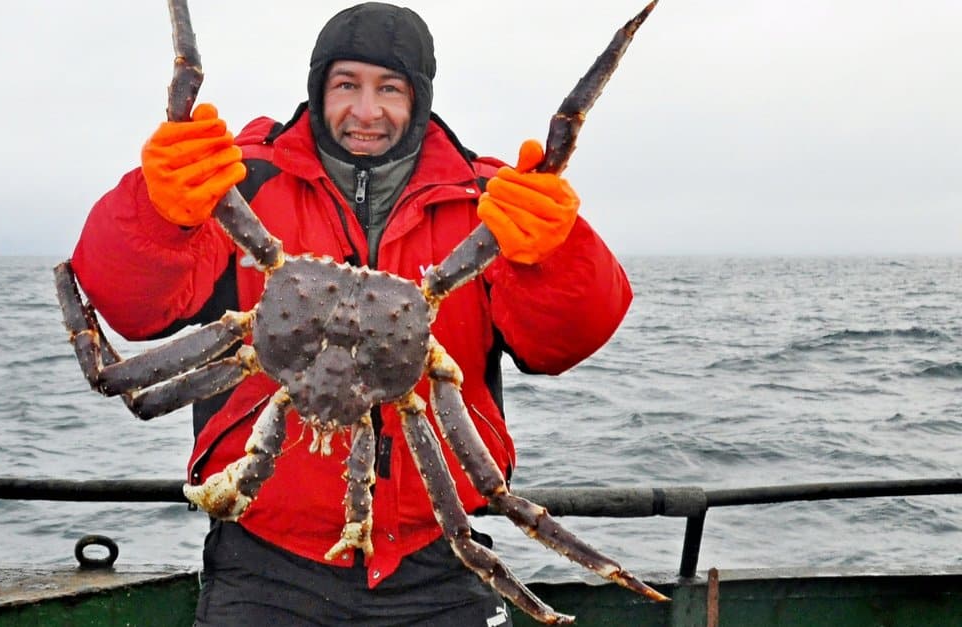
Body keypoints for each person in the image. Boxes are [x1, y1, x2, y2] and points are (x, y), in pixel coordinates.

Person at [70, 3, 632, 625]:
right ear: (318, 89)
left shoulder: (491, 206)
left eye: (389, 89)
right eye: (347, 86)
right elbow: (130, 308)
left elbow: (565, 342)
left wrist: (554, 253)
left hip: (436, 556)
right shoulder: (238, 180)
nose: (367, 111)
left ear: (418, 100)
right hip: (262, 560)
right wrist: (160, 212)